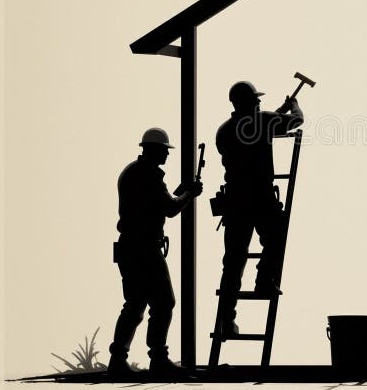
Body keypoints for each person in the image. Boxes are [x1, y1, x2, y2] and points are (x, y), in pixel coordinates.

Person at [107, 128, 203, 379]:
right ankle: (158, 359)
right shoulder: (149, 175)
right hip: (144, 248)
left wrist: (182, 192)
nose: (167, 155)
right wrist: (189, 194)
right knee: (164, 302)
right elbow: (170, 208)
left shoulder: (132, 172)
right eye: (164, 150)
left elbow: (159, 203)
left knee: (135, 304)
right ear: (154, 150)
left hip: (131, 247)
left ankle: (118, 359)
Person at [215, 81, 303, 335]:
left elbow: (254, 133)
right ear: (251, 102)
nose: (259, 103)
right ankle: (265, 281)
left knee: (233, 263)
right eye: (257, 101)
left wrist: (278, 112)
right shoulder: (262, 121)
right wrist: (293, 107)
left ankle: (225, 320)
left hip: (235, 202)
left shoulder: (225, 131)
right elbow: (295, 122)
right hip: (261, 199)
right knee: (276, 238)